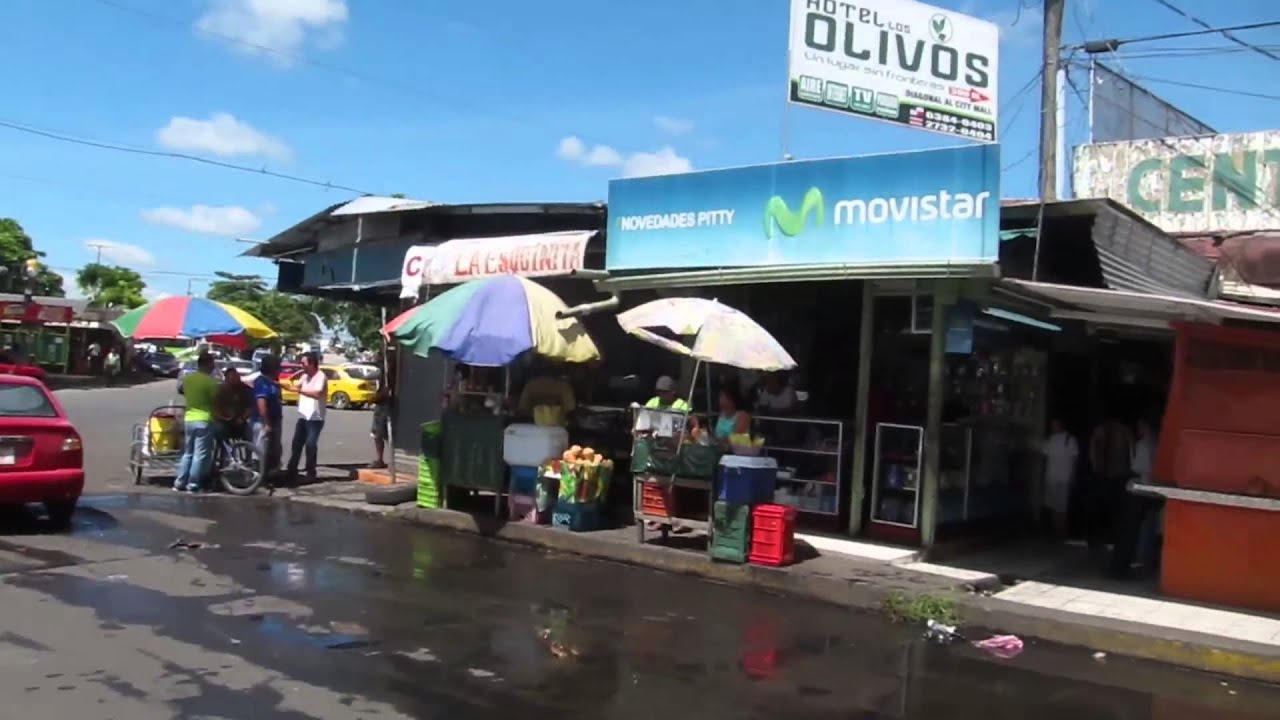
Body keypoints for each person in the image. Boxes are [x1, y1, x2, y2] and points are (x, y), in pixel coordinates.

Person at [1088, 413, 1134, 553]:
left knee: (1103, 507)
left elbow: (1092, 451)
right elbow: (1132, 453)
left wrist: (1095, 468)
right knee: (1113, 508)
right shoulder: (1124, 431)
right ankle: (1110, 537)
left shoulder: (1100, 430)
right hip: (1115, 474)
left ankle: (1101, 537)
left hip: (1107, 474)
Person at [174, 352, 217, 492]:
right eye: (212, 364)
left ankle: (179, 483)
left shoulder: (188, 379)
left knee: (188, 453)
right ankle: (192, 485)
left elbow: (182, 390)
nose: (214, 367)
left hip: (189, 419)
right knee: (199, 455)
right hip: (204, 420)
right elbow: (216, 401)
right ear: (208, 364)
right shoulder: (210, 382)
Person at [286, 352, 328, 484]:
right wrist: (283, 384)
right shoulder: (304, 376)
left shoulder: (321, 376)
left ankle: (311, 472)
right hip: (303, 416)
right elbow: (295, 386)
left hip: (315, 418)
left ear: (312, 364)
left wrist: (299, 391)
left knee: (310, 444)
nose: (301, 365)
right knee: (296, 443)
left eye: (303, 363)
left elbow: (317, 393)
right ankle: (291, 470)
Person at [1040, 418, 1079, 538]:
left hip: (1064, 477)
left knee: (1062, 507)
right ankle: (1055, 531)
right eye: (1052, 425)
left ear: (1061, 425)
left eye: (1055, 425)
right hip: (1051, 477)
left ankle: (1061, 532)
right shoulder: (1050, 439)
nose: (1053, 427)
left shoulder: (1070, 439)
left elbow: (1074, 458)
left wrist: (1073, 475)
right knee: (1052, 505)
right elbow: (1045, 456)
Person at [252, 354, 284, 479]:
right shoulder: (262, 382)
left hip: (275, 420)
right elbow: (261, 404)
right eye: (278, 368)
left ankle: (271, 474)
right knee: (261, 450)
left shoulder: (273, 382)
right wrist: (267, 423)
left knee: (274, 449)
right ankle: (257, 476)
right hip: (263, 421)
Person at [517, 359, 576, 423]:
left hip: (534, 423)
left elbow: (523, 408)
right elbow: (570, 409)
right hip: (557, 424)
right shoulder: (564, 387)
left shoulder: (530, 386)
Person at [369, 353, 396, 470]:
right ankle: (380, 459)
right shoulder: (383, 371)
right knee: (378, 434)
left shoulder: (388, 373)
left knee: (382, 433)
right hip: (382, 405)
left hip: (384, 406)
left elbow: (386, 390)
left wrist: (374, 399)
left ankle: (386, 460)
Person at [213, 368, 253, 443]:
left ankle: (248, 449)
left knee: (249, 432)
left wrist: (242, 418)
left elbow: (250, 408)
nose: (235, 381)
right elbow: (214, 407)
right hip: (222, 421)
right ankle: (224, 448)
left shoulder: (245, 389)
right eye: (232, 379)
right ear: (226, 379)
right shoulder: (219, 390)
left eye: (236, 378)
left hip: (240, 420)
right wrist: (222, 418)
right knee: (218, 429)